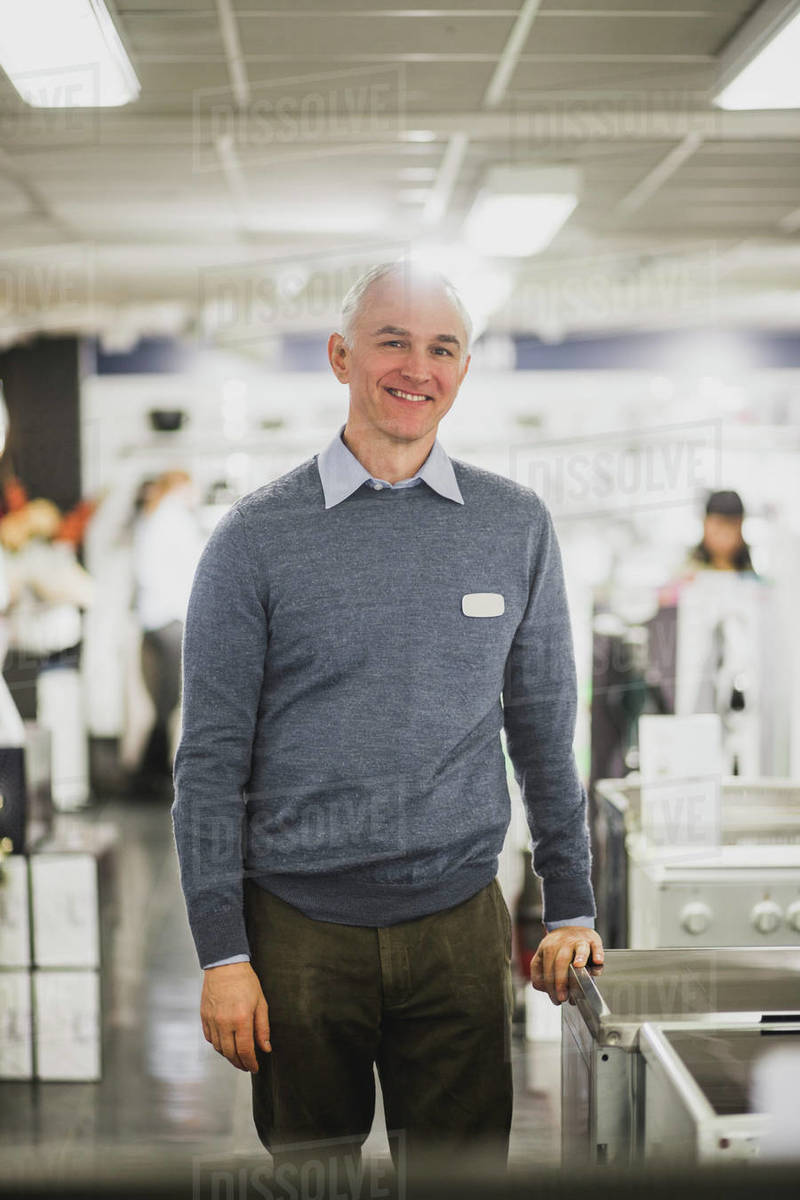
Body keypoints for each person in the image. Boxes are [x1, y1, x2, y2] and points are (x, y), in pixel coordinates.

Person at [172, 262, 603, 1186]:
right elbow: (207, 763)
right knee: (313, 1176)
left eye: (442, 349)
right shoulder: (255, 538)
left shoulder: (514, 525)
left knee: (460, 1176)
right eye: (393, 343)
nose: (418, 368)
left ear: (464, 370)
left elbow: (543, 731)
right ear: (341, 356)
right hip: (298, 931)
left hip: (458, 924)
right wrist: (223, 953)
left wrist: (570, 904)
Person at [131, 470, 204, 798]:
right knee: (168, 701)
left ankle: (152, 772)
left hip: (154, 621)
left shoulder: (154, 517)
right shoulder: (175, 519)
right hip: (171, 621)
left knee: (163, 702)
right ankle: (151, 775)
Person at [687, 489, 755, 574]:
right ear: (705, 525)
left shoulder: (750, 576)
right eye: (717, 528)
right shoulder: (688, 573)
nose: (723, 536)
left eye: (731, 527)